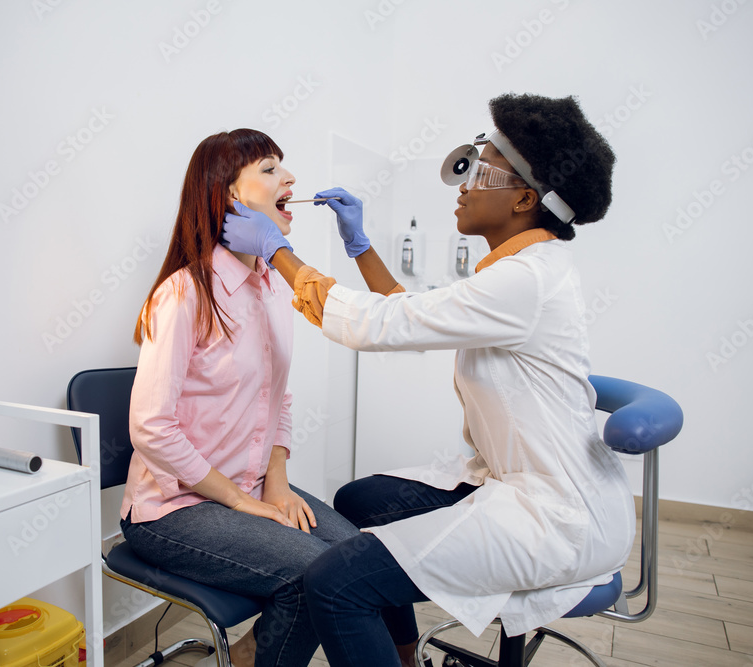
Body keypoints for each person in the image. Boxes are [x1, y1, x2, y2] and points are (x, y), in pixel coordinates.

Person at [222, 94, 635, 667]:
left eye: (479, 170)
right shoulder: (518, 272)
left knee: (335, 583)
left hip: (558, 515)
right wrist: (359, 247)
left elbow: (378, 325)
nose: (462, 184)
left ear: (523, 198)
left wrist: (279, 252)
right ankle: (401, 654)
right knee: (359, 501)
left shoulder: (524, 281)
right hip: (524, 479)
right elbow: (408, 311)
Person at [121, 128, 359, 667]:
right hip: (171, 510)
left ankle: (254, 653)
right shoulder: (184, 293)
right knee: (316, 577)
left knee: (358, 558)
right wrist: (238, 499)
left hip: (249, 486)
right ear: (230, 195)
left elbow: (280, 397)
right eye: (271, 169)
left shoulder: (275, 286)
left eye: (284, 167)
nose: (290, 179)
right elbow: (151, 427)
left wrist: (275, 483)